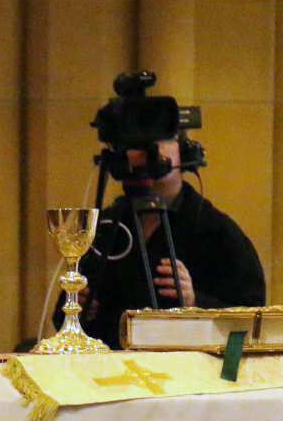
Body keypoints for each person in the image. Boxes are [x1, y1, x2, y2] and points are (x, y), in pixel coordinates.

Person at [76, 137, 266, 348]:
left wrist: (196, 302)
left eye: (162, 138)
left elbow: (253, 318)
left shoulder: (215, 230)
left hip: (192, 371)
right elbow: (65, 316)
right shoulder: (108, 226)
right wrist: (81, 309)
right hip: (112, 368)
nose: (149, 150)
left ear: (184, 152)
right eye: (138, 141)